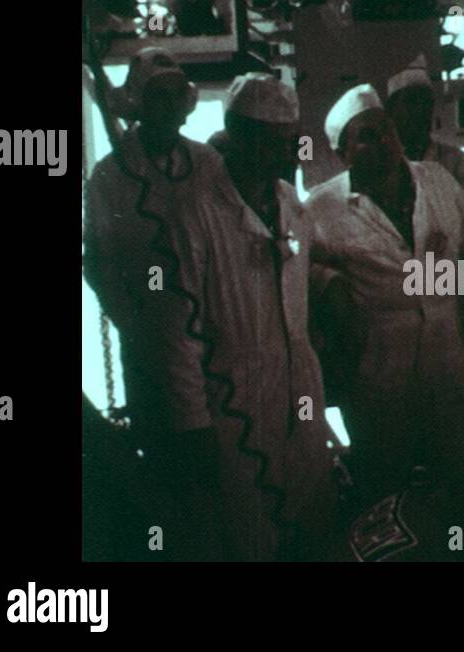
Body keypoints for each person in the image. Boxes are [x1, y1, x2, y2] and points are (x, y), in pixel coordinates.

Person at [158, 73, 338, 561]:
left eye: (289, 142)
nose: (287, 155)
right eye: (273, 143)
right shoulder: (193, 213)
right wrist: (192, 424)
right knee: (247, 534)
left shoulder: (289, 205)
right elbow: (178, 334)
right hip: (231, 398)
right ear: (237, 136)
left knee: (311, 519)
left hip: (297, 386)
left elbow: (295, 281)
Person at [306, 84, 464, 503]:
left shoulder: (438, 181)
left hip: (450, 369)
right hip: (377, 385)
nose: (384, 142)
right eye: (366, 137)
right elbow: (300, 275)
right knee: (387, 497)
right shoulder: (322, 209)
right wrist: (327, 284)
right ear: (343, 153)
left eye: (385, 129)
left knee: (457, 490)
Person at [83, 46, 226, 559]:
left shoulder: (208, 163)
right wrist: (135, 326)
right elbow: (97, 263)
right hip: (148, 347)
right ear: (137, 105)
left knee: (223, 467)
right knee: (170, 472)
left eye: (174, 97)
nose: (167, 107)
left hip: (215, 337)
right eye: (155, 97)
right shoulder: (109, 175)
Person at [385, 54, 464, 227]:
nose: (420, 110)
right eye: (411, 101)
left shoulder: (452, 158)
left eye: (426, 102)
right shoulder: (382, 160)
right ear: (391, 110)